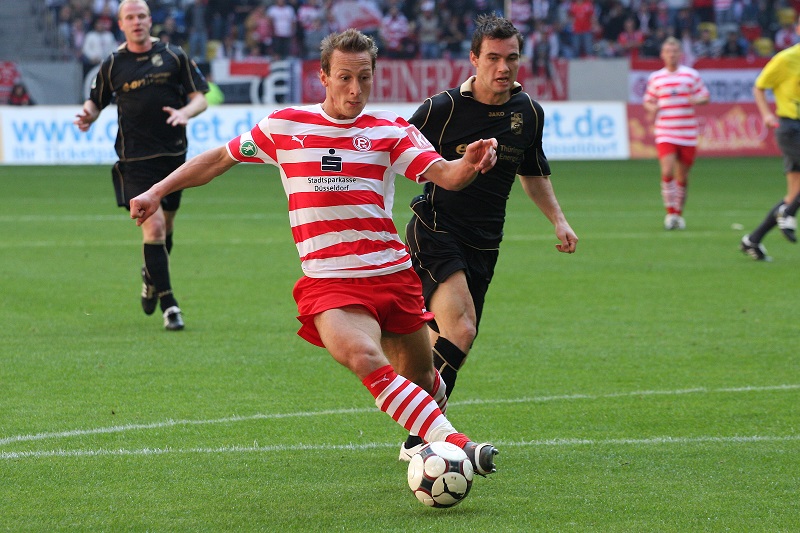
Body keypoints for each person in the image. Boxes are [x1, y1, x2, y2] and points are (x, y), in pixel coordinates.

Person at [128, 28, 500, 475]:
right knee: (364, 357)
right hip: (330, 280)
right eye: (344, 77)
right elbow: (218, 159)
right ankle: (459, 443)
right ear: (323, 76)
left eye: (364, 78)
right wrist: (157, 190)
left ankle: (424, 426)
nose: (355, 89)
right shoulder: (285, 126)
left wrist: (472, 163)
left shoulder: (391, 130)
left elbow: (446, 174)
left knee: (422, 381)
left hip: (394, 276)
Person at [399, 14, 578, 460]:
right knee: (462, 327)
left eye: (512, 58)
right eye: (493, 58)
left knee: (446, 337)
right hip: (436, 228)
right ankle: (424, 437)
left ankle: (415, 426)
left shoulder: (528, 113)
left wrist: (558, 220)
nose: (503, 67)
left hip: (485, 243)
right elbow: (391, 151)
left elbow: (533, 171)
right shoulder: (442, 109)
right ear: (474, 58)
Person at [74, 0, 209, 330]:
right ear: (121, 24)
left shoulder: (175, 56)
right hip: (134, 162)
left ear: (151, 20)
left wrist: (184, 113)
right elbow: (96, 100)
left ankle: (151, 277)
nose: (136, 22)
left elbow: (200, 97)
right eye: (129, 17)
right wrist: (88, 115)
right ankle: (170, 306)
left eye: (141, 16)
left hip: (174, 158)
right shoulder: (113, 64)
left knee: (169, 227)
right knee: (155, 227)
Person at [740, 15, 800, 261]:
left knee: (793, 193)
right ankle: (788, 213)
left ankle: (752, 241)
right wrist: (765, 114)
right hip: (790, 127)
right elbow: (759, 86)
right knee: (791, 201)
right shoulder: (786, 58)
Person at [643, 36, 710, 231]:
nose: (671, 55)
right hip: (666, 131)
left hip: (688, 132)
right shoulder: (656, 78)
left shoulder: (691, 75)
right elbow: (648, 100)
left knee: (683, 176)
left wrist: (695, 100)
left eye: (674, 51)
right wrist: (652, 108)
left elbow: (705, 97)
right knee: (667, 170)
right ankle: (670, 213)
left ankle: (678, 214)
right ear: (663, 55)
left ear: (680, 54)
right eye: (668, 51)